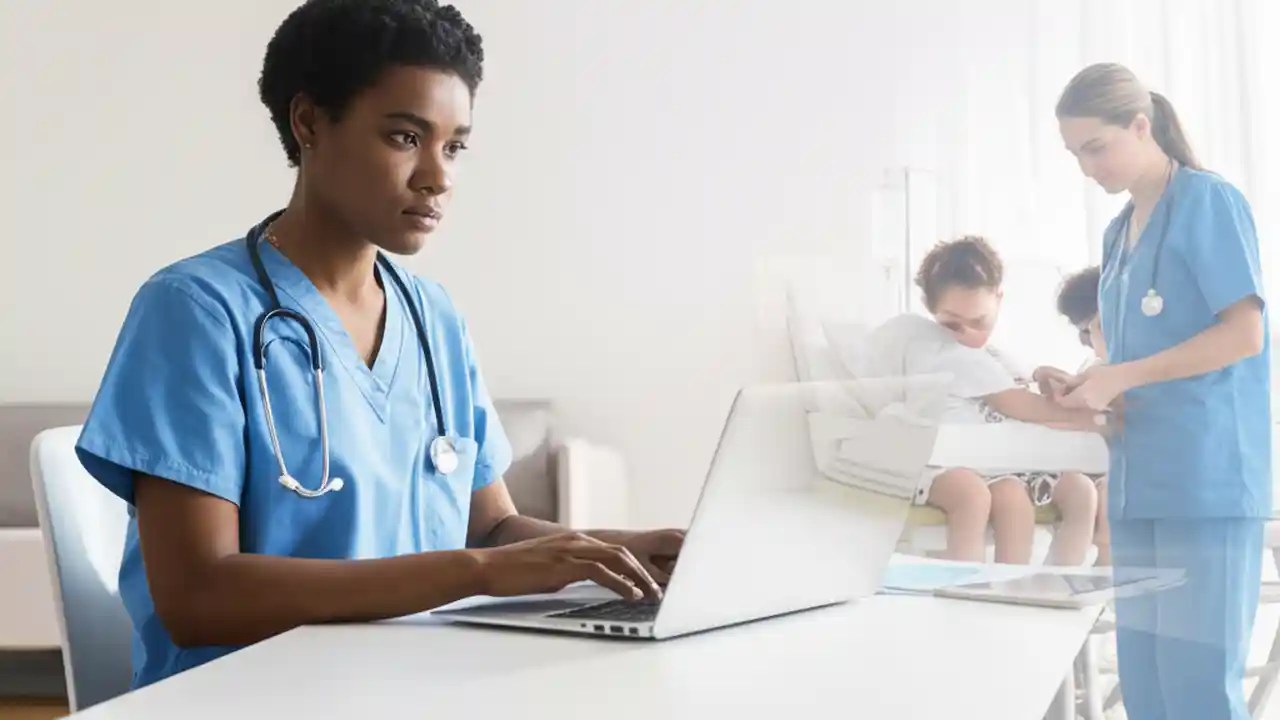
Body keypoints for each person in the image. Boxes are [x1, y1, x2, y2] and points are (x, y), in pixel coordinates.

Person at [74, 0, 683, 689]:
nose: (438, 176)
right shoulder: (196, 312)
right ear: (308, 123)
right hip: (246, 697)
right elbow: (197, 597)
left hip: (415, 685)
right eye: (403, 137)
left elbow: (486, 531)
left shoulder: (433, 318)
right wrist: (477, 574)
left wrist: (629, 551)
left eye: (454, 146)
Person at [1052, 62, 1269, 719]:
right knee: (1146, 688)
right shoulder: (1118, 234)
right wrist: (1090, 383)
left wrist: (1122, 375)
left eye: (1096, 147)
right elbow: (1133, 356)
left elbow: (1244, 335)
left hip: (1206, 478)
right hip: (1138, 477)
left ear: (1141, 126)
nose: (1088, 167)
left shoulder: (1208, 201)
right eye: (1074, 154)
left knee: (1198, 687)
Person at [861, 236, 1103, 564]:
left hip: (999, 461)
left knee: (1035, 497)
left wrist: (1040, 372)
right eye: (952, 323)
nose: (967, 334)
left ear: (998, 300)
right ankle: (971, 592)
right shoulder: (943, 350)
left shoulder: (988, 353)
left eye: (979, 322)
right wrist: (1099, 421)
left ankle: (1037, 590)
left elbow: (1020, 374)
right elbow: (1024, 407)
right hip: (955, 460)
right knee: (978, 496)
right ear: (930, 308)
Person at [1039, 266, 1111, 565]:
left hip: (1120, 469)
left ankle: (1107, 567)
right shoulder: (1094, 366)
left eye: (1089, 329)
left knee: (1110, 494)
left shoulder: (1128, 368)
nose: (1085, 341)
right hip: (1091, 465)